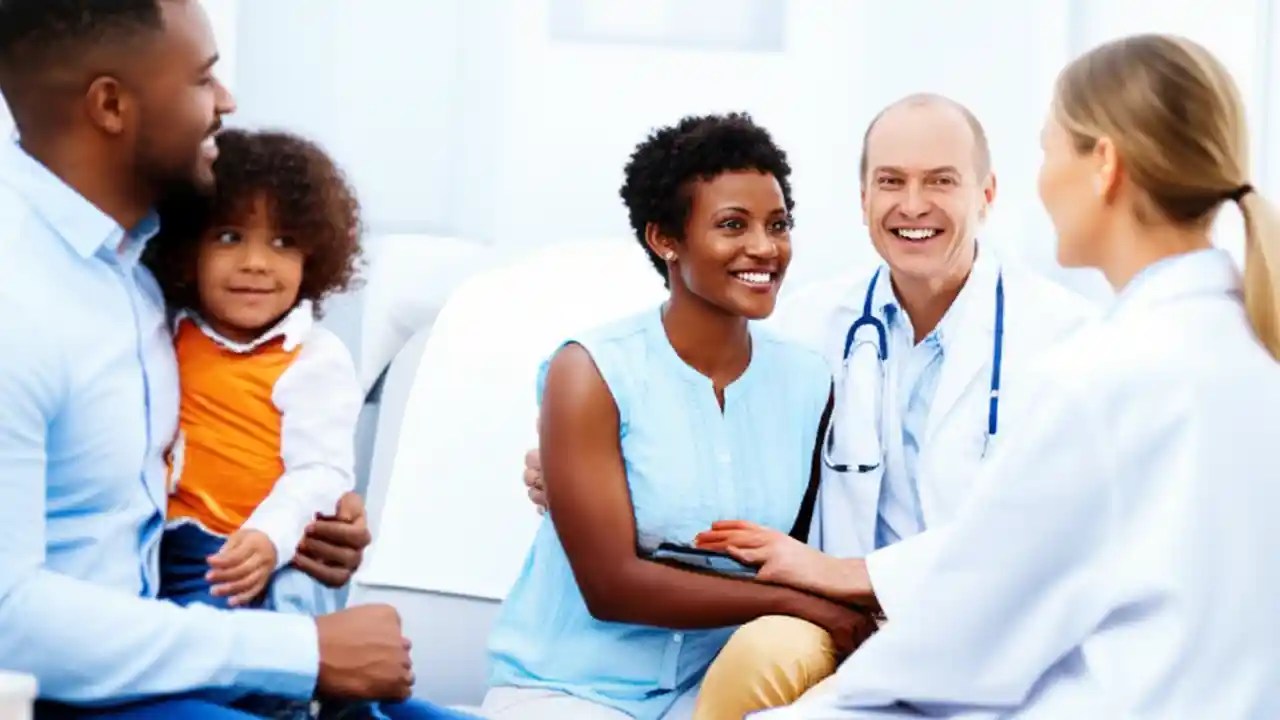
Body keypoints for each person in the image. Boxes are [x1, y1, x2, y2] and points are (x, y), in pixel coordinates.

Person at [747, 32, 1280, 718]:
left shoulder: (1100, 373)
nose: (1043, 179)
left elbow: (965, 643)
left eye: (1049, 149)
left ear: (1104, 166)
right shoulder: (1243, 354)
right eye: (891, 180)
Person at [522, 94, 1096, 718]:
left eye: (941, 181)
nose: (912, 205)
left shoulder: (1068, 341)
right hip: (839, 628)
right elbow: (706, 429)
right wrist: (586, 464)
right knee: (761, 658)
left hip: (988, 631)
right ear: (862, 201)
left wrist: (853, 574)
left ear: (985, 196)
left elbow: (1051, 531)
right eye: (890, 182)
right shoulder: (808, 329)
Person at [0, 2, 434, 717]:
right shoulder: (18, 296)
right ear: (111, 104)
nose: (226, 102)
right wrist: (305, 651)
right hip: (85, 696)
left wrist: (303, 529)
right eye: (204, 79)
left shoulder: (136, 277)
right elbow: (8, 623)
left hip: (186, 651)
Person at [483, 113, 876, 720]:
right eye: (731, 225)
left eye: (778, 225)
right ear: (664, 239)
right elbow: (611, 586)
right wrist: (806, 608)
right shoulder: (591, 371)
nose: (765, 248)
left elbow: (801, 548)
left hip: (720, 687)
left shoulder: (809, 382)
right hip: (571, 689)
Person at [142, 127, 382, 719]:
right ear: (189, 250)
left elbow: (322, 471)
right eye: (229, 237)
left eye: (283, 241)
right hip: (174, 546)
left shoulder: (311, 356)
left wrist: (270, 538)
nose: (254, 263)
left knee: (258, 680)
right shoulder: (170, 331)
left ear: (314, 257)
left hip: (255, 559)